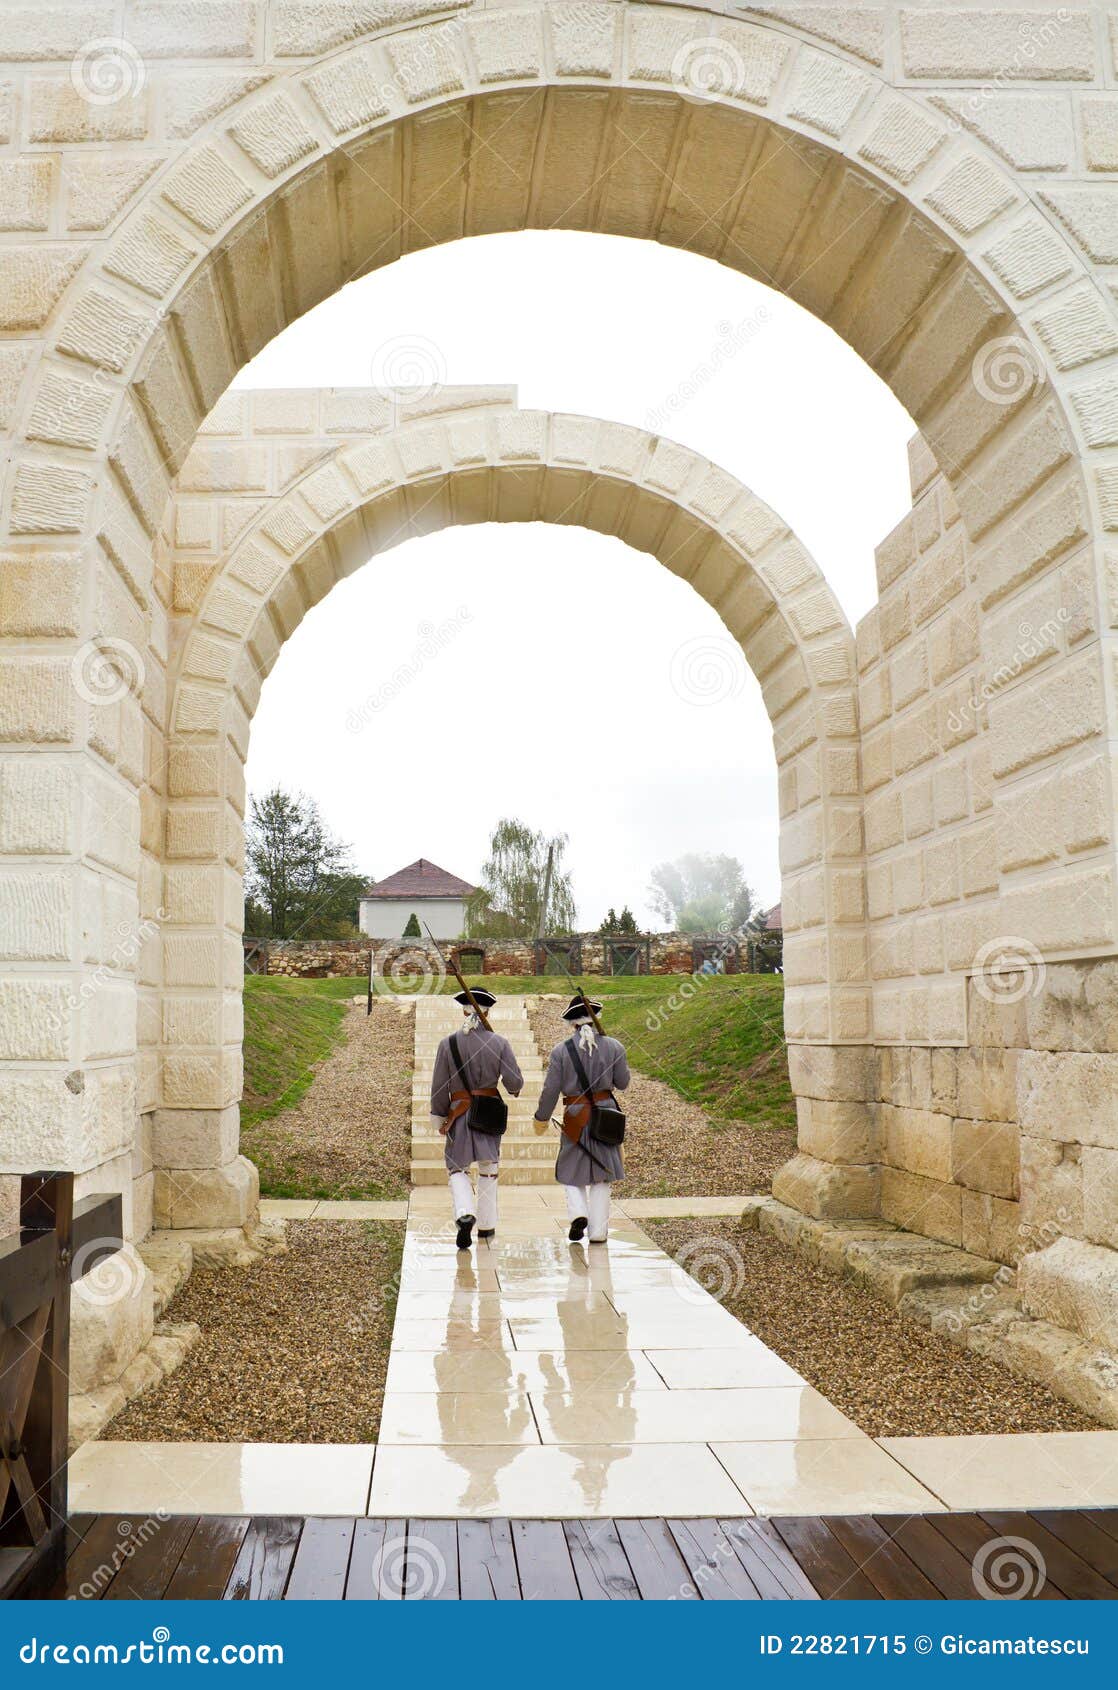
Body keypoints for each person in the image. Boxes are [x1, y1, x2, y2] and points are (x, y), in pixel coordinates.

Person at [430, 988, 523, 1249]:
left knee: (457, 1168)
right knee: (488, 1169)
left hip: (459, 1113)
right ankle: (486, 1225)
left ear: (464, 1010)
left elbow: (439, 1087)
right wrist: (514, 1088)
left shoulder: (447, 1044)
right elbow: (515, 1083)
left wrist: (439, 1117)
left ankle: (464, 1214)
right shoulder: (500, 1042)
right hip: (488, 1112)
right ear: (488, 1011)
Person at [533, 994, 630, 1243]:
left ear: (572, 1023)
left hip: (575, 1115)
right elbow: (623, 1083)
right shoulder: (614, 1046)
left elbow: (551, 1090)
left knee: (569, 1168)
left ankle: (578, 1214)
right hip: (605, 1113)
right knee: (603, 1173)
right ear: (596, 1018)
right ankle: (598, 1233)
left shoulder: (560, 1051)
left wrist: (541, 1118)